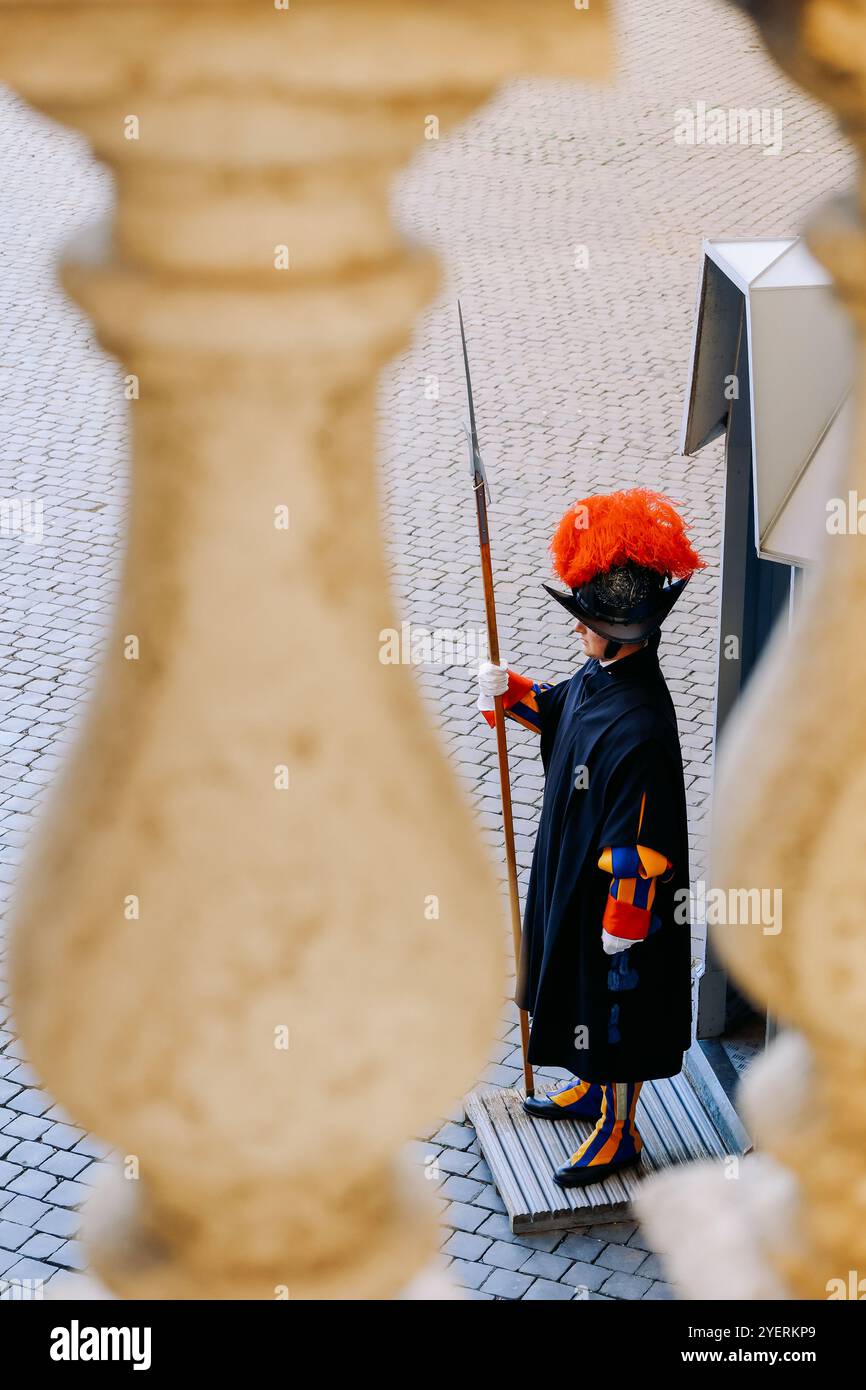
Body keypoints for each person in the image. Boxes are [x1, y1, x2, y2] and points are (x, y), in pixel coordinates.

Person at [476, 488, 704, 1188]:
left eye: (586, 620)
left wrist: (625, 919)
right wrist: (510, 690)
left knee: (617, 1011)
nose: (578, 629)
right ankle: (588, 1086)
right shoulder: (603, 673)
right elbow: (560, 712)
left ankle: (620, 1128)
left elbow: (643, 838)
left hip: (616, 906)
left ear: (621, 630)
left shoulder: (640, 724)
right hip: (573, 871)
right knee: (582, 997)